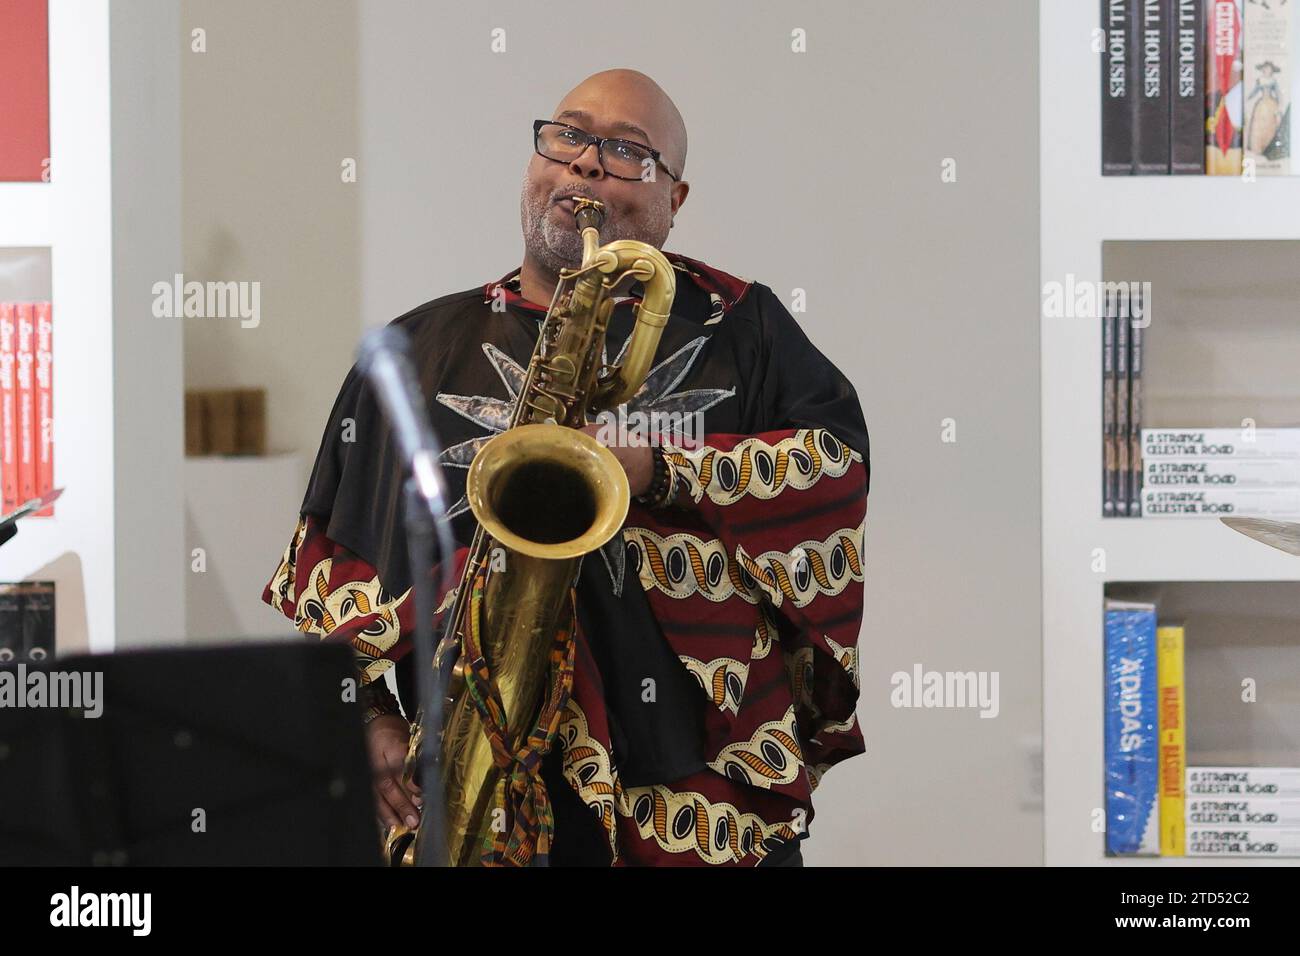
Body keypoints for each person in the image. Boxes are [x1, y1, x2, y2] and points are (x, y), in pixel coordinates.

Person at [261, 68, 869, 867]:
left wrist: (658, 468)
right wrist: (369, 714)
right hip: (475, 792)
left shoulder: (743, 325)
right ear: (537, 162)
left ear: (674, 199)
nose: (586, 162)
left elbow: (832, 467)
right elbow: (327, 569)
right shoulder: (413, 352)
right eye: (568, 135)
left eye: (627, 152)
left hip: (698, 800)